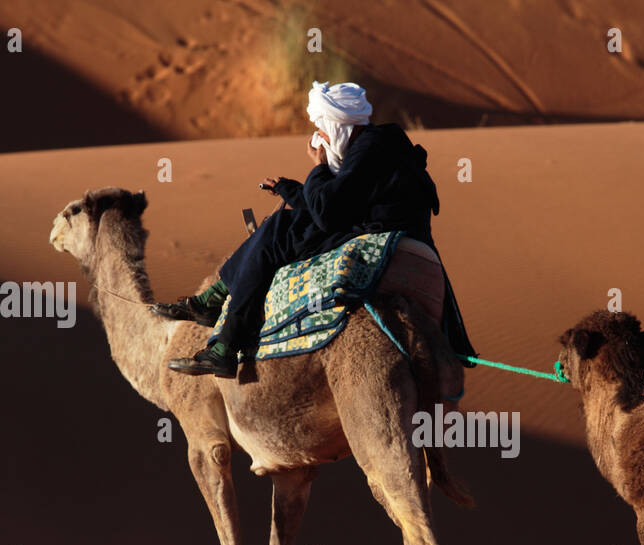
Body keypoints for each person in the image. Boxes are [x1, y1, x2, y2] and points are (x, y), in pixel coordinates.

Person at [160, 81, 448, 378]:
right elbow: (339, 202)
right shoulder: (380, 142)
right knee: (285, 224)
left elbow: (327, 212)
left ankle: (226, 343)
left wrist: (319, 166)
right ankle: (217, 298)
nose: (319, 137)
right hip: (383, 226)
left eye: (322, 129)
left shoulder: (368, 148)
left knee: (278, 230)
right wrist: (289, 190)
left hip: (381, 233)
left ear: (338, 125)